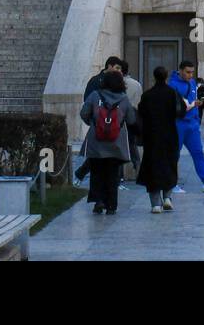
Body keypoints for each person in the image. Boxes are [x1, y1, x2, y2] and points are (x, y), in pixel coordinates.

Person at [79, 67, 136, 215]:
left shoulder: (94, 95)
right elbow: (131, 119)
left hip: (96, 141)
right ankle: (112, 205)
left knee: (97, 172)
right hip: (116, 142)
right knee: (112, 174)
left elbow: (84, 113)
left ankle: (98, 201)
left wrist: (93, 124)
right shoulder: (123, 99)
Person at [168, 60, 204, 193]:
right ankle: (171, 184)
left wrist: (196, 118)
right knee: (174, 155)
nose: (190, 75)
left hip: (192, 124)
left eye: (192, 72)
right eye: (187, 72)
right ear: (180, 71)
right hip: (178, 123)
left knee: (198, 153)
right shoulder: (172, 85)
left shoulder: (192, 83)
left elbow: (192, 99)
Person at [136, 66, 181, 214]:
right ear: (166, 76)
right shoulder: (172, 93)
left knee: (152, 167)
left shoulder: (147, 95)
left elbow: (141, 113)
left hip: (152, 136)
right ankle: (167, 197)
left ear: (154, 77)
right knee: (169, 165)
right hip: (169, 135)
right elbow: (179, 111)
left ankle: (155, 204)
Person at [74, 56, 125, 185]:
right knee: (102, 154)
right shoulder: (96, 81)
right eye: (117, 68)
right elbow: (88, 102)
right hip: (100, 124)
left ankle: (114, 181)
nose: (119, 71)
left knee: (108, 153)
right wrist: (94, 121)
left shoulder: (118, 81)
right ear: (109, 66)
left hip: (113, 124)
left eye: (120, 69)